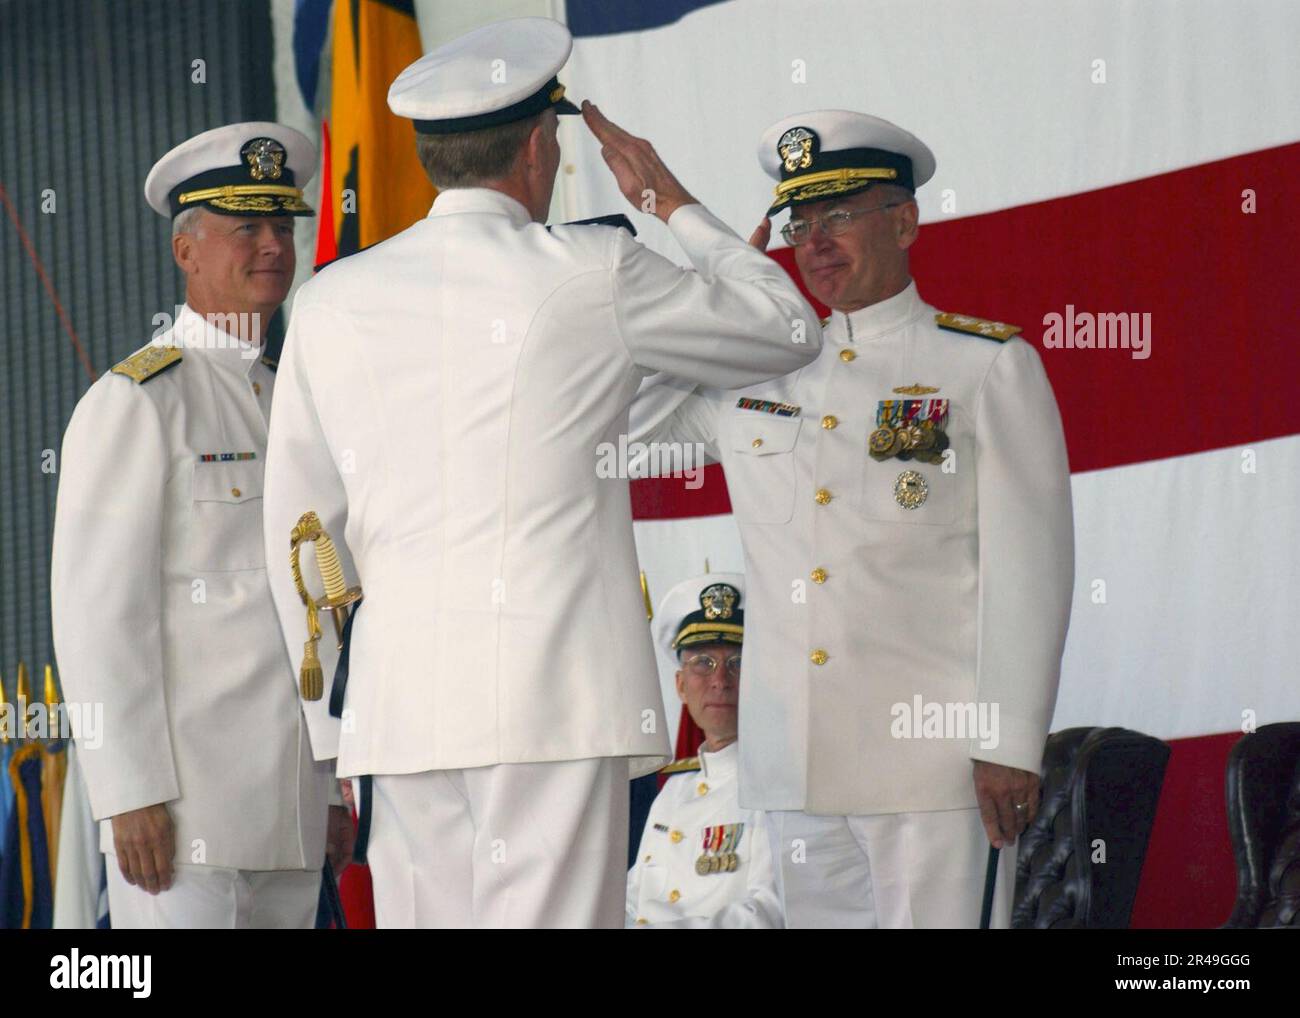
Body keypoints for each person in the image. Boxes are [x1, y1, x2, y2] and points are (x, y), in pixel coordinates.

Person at [260, 17, 818, 929]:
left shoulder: (326, 304)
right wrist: (670, 200)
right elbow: (785, 326)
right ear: (537, 145)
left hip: (398, 722)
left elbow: (304, 535)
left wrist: (332, 736)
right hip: (553, 705)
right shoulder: (592, 269)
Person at [629, 110, 1074, 927]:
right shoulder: (760, 375)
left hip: (932, 769)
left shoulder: (983, 367)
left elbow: (1031, 571)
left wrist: (1009, 743)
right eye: (800, 223)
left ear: (904, 221)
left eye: (838, 214)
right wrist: (722, 267)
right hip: (794, 767)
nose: (814, 241)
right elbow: (627, 420)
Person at [50, 123, 352, 928]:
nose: (272, 246)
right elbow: (95, 616)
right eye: (245, 227)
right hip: (184, 820)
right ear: (186, 251)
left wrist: (329, 783)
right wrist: (129, 792)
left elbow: (315, 606)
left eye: (282, 225)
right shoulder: (138, 400)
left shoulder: (297, 397)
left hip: (289, 809)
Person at [626, 574, 780, 928]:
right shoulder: (672, 793)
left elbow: (770, 912)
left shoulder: (779, 790)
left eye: (738, 663)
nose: (720, 680)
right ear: (680, 685)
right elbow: (634, 899)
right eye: (703, 663)